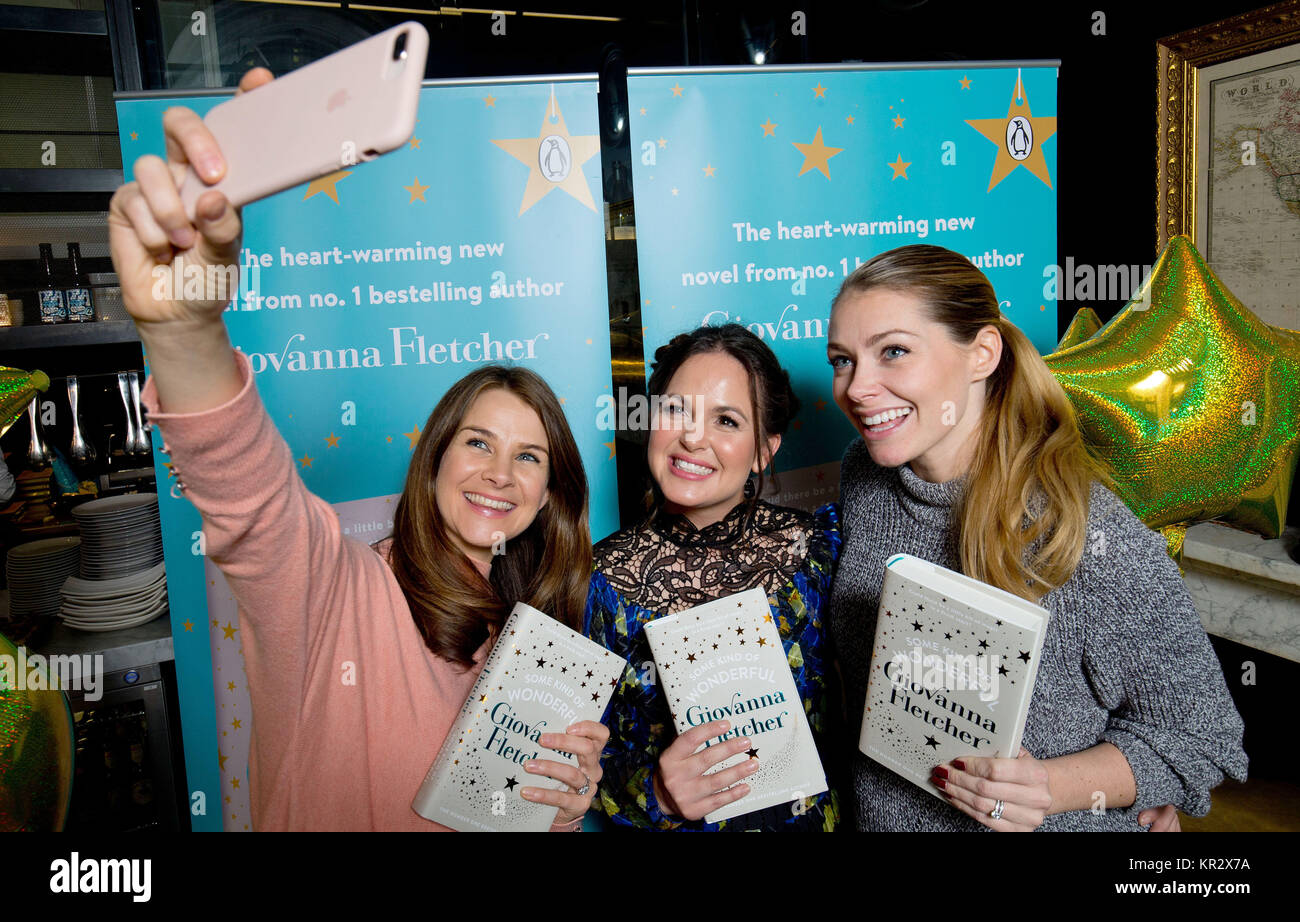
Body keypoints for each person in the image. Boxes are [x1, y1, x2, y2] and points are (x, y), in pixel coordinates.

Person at [107, 67, 607, 831]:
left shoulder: (536, 644)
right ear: (434, 459)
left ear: (551, 495)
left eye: (530, 457)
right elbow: (252, 497)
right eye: (477, 442)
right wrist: (184, 334)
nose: (500, 474)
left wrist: (560, 804)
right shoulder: (334, 592)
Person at [825, 244, 1248, 831]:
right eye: (842, 360)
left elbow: (1204, 741)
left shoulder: (1089, 535)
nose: (857, 388)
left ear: (982, 354)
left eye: (893, 351)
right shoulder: (864, 476)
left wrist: (1051, 788)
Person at [585, 324, 842, 830]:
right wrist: (656, 793)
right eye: (676, 409)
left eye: (726, 420)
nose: (693, 437)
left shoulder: (818, 553)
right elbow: (578, 770)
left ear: (765, 449)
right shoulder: (597, 581)